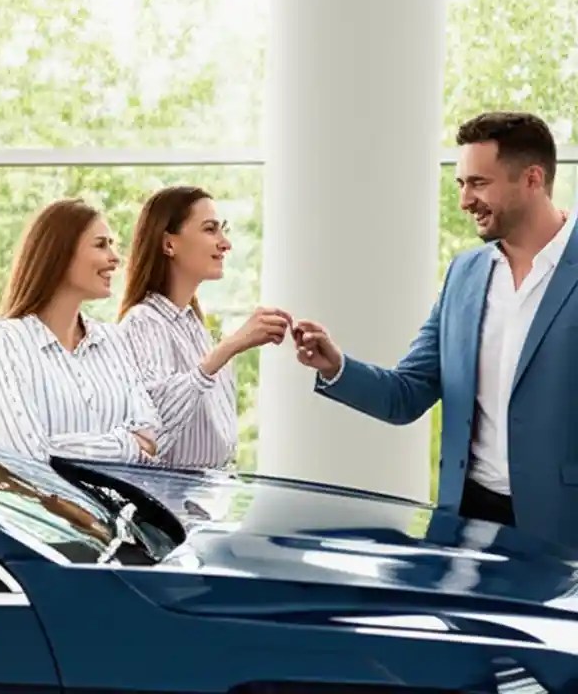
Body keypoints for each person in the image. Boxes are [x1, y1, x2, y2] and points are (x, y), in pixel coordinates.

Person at [292, 111, 578, 546]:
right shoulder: (464, 274)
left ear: (533, 179)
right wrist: (337, 367)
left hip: (563, 529)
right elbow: (405, 394)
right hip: (465, 524)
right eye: (461, 183)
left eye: (479, 183)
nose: (464, 200)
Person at [0, 198, 163, 465]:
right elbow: (25, 461)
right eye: (100, 244)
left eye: (112, 245)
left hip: (118, 508)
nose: (115, 258)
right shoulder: (5, 344)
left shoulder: (113, 341)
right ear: (59, 254)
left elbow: (151, 442)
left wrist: (55, 447)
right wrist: (127, 445)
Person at [117, 186, 291, 469]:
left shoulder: (194, 326)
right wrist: (229, 348)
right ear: (168, 244)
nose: (225, 244)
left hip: (208, 504)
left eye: (223, 230)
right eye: (210, 230)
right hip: (169, 507)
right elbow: (152, 430)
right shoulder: (143, 322)